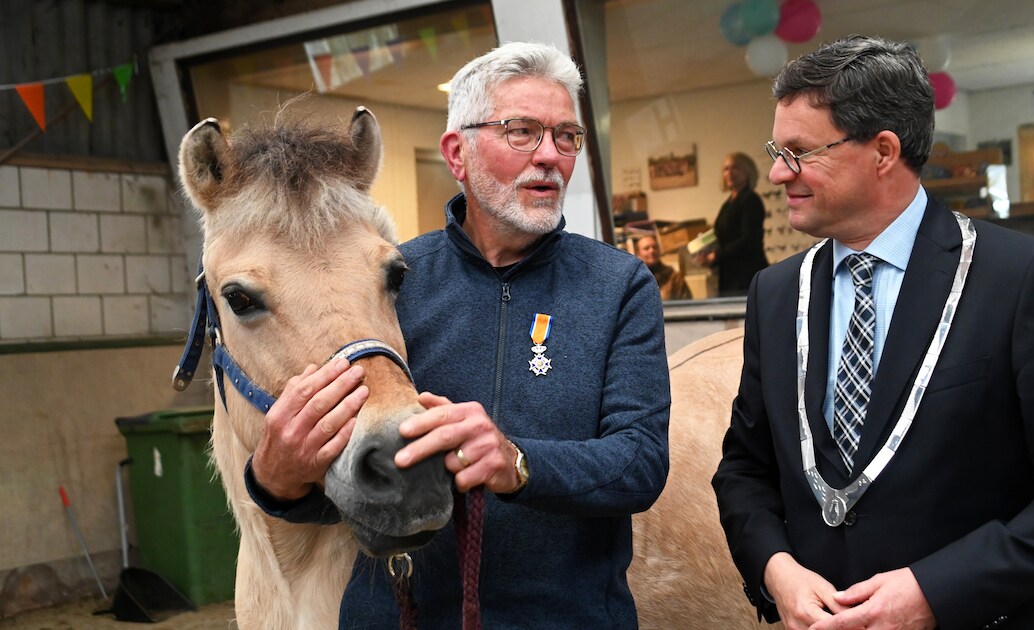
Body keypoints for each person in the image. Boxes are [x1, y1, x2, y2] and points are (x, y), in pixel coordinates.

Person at [711, 35, 1034, 630]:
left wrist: (937, 591)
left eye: (798, 151)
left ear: (884, 151)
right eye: (775, 149)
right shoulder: (776, 292)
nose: (776, 171)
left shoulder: (1018, 278)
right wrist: (776, 569)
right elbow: (744, 468)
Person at [246, 42, 670, 628]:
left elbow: (640, 466)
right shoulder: (390, 278)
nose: (550, 156)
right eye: (521, 131)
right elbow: (349, 485)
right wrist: (274, 481)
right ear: (457, 153)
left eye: (566, 136)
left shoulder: (620, 285)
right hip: (402, 616)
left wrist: (516, 462)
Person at [699, 152, 769, 295]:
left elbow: (748, 239)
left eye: (735, 168)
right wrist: (705, 251)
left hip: (746, 274)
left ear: (747, 171)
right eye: (726, 169)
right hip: (729, 275)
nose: (729, 173)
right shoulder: (728, 203)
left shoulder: (750, 200)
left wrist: (716, 256)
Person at [635, 234, 692, 301]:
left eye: (655, 247)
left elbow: (686, 305)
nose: (652, 251)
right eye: (646, 248)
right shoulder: (633, 279)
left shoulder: (674, 278)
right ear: (638, 254)